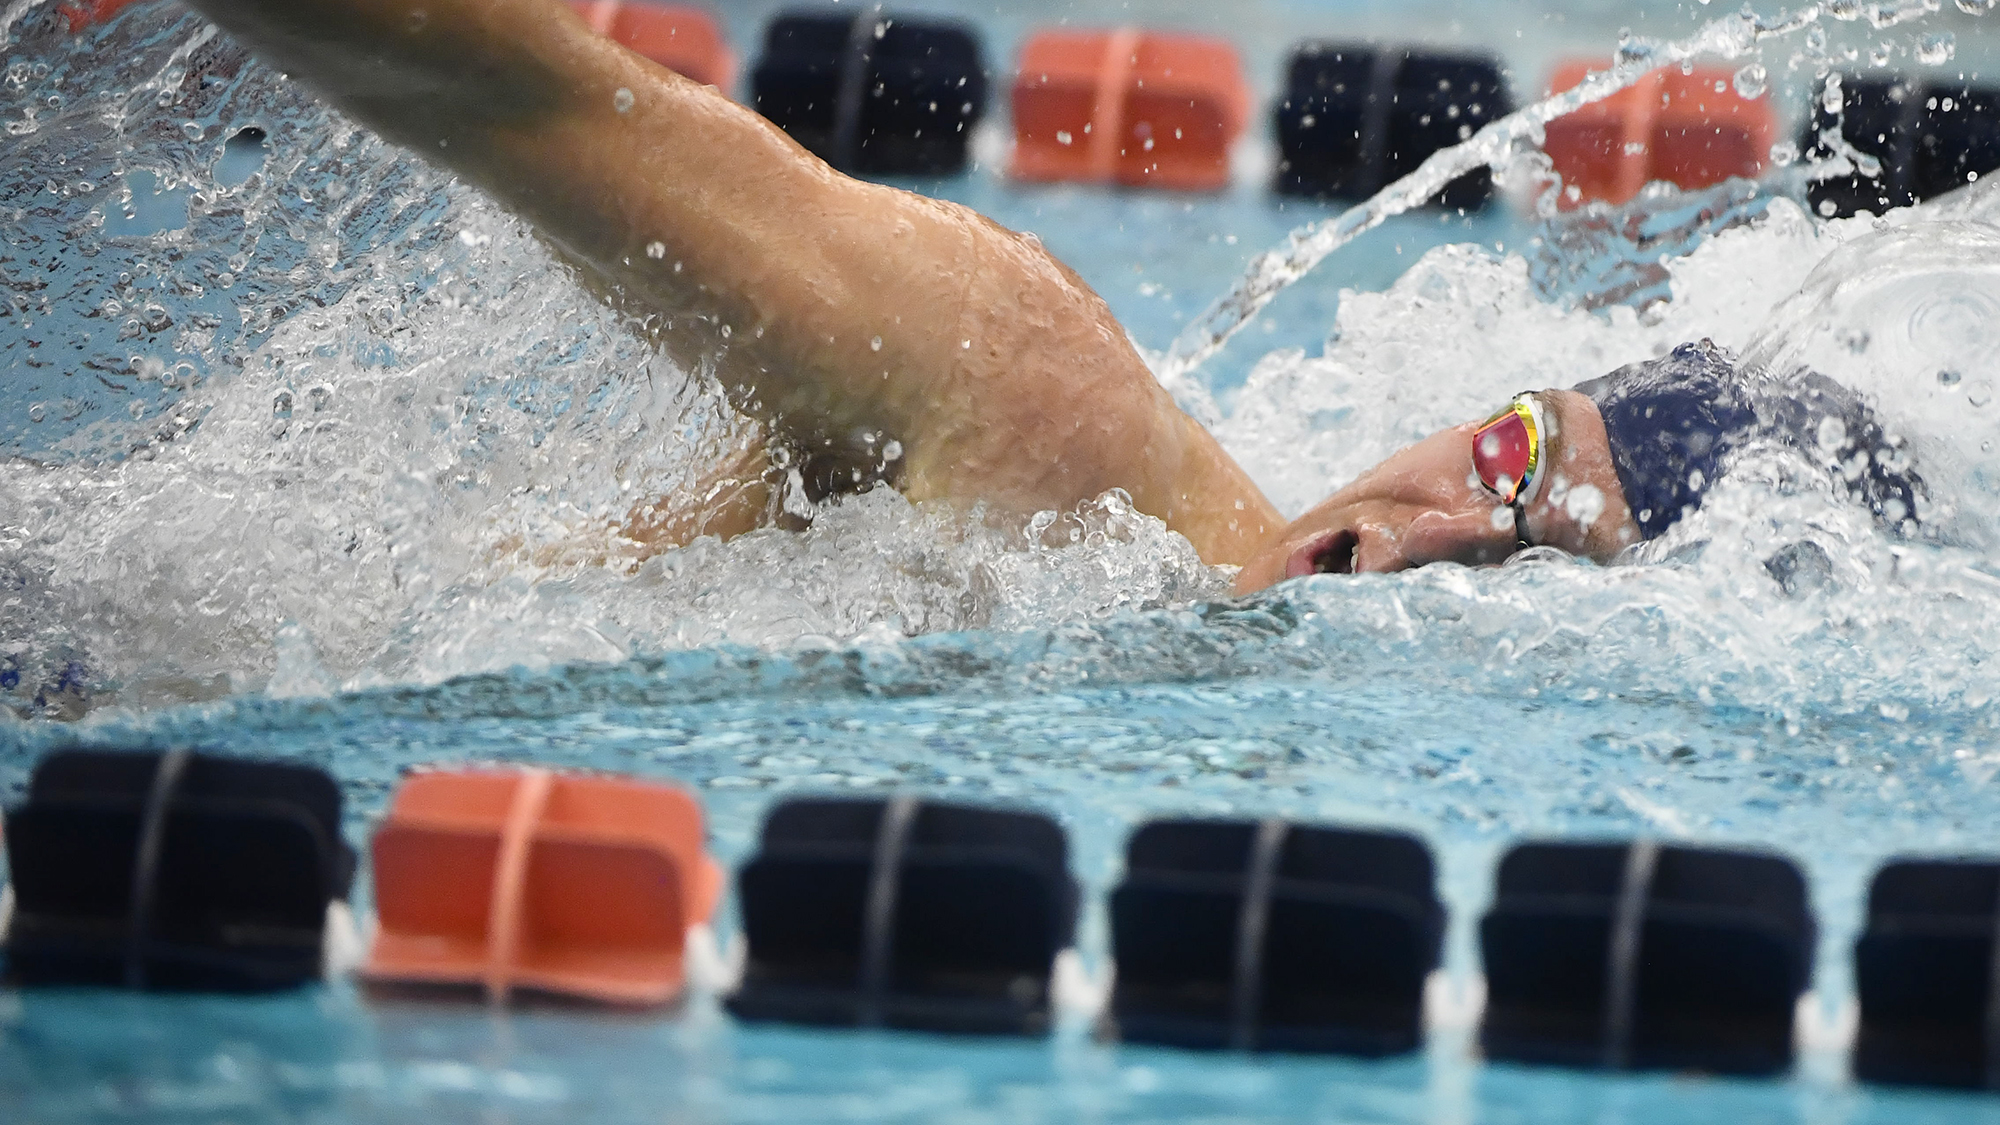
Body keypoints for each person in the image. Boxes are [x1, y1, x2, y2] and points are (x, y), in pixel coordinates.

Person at [173, 0, 1921, 597]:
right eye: (1503, 445)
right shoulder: (1012, 382)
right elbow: (516, 95)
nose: (1433, 513)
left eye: (1521, 517)